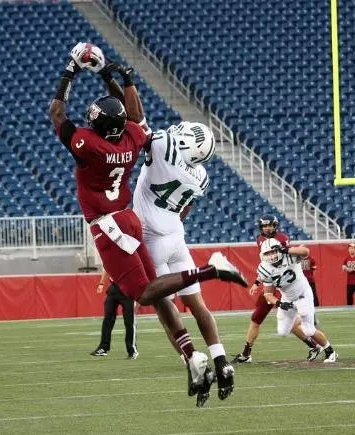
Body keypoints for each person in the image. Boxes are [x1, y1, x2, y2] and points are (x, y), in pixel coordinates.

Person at [49, 42, 248, 403]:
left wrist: (72, 71)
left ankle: (209, 276)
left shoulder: (115, 145)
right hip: (153, 224)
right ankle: (206, 357)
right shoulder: (189, 170)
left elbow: (59, 116)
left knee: (150, 296)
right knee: (185, 302)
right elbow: (133, 118)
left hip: (118, 224)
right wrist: (116, 78)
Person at [133, 120, 236, 406]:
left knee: (165, 307)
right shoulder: (201, 176)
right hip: (176, 238)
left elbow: (139, 125)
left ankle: (192, 359)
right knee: (197, 304)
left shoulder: (164, 145)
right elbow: (185, 208)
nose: (180, 128)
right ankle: (221, 359)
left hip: (152, 240)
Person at [231, 215, 320, 364]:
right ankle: (246, 353)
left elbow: (284, 260)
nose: (267, 228)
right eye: (264, 226)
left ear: (275, 226)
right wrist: (258, 281)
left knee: (291, 323)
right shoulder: (260, 240)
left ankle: (316, 344)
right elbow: (266, 264)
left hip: (284, 285)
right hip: (271, 283)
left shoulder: (282, 238)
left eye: (269, 225)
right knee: (256, 318)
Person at [258, 239, 338, 363]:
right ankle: (302, 319)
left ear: (279, 249)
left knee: (309, 330)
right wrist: (280, 303)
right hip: (287, 299)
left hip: (303, 295)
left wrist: (288, 249)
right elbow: (268, 294)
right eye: (268, 253)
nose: (271, 255)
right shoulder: (264, 268)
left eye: (273, 251)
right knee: (283, 332)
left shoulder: (289, 256)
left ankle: (330, 351)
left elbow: (306, 251)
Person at [91, 271, 139, 359]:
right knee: (107, 320)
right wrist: (101, 283)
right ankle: (103, 348)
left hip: (128, 290)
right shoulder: (112, 258)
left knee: (129, 321)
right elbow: (106, 269)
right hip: (114, 288)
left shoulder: (130, 257)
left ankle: (132, 350)